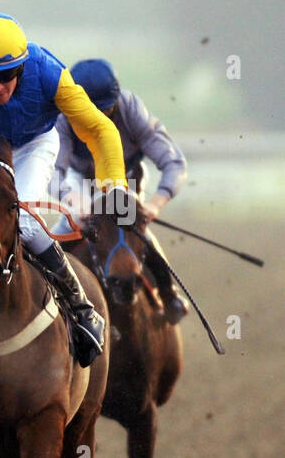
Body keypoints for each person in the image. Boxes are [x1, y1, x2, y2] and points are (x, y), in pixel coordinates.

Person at [0, 12, 130, 366]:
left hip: (33, 145)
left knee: (21, 222)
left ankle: (81, 307)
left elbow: (99, 129)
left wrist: (113, 184)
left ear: (22, 68)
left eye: (6, 76)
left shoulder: (50, 74)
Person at [55, 58, 189, 322]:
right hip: (82, 180)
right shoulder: (62, 119)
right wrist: (74, 201)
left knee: (136, 230)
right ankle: (54, 300)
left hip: (126, 179)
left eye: (106, 110)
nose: (98, 120)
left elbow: (173, 162)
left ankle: (168, 292)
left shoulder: (131, 109)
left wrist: (155, 204)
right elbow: (53, 173)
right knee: (61, 233)